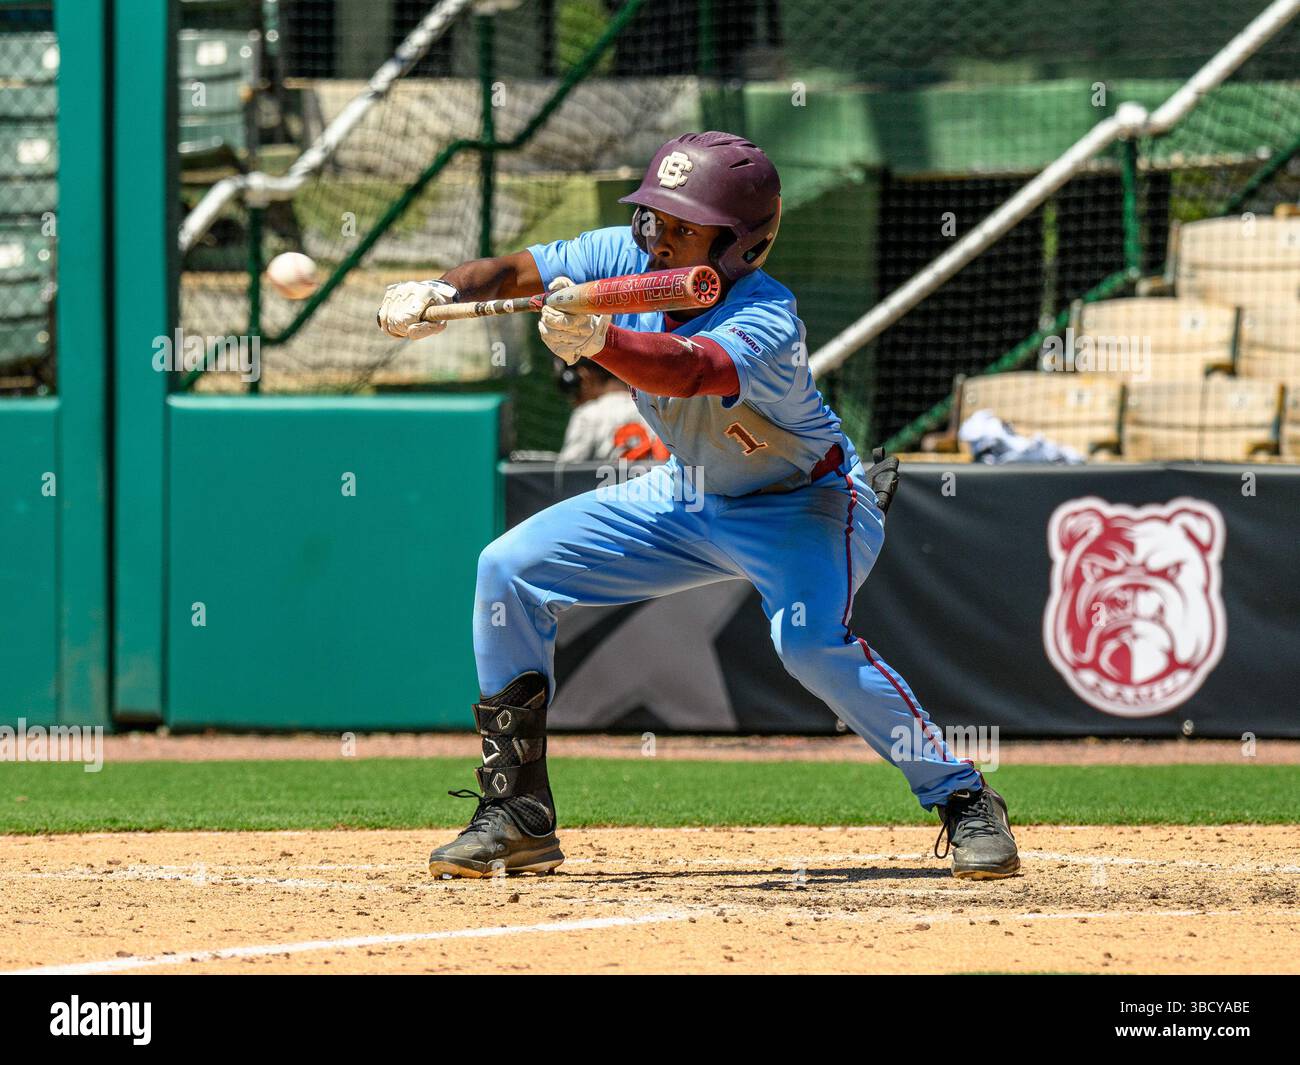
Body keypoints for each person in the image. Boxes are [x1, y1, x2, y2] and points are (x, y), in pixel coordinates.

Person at [376, 131, 1019, 881]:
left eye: (686, 227)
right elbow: (517, 269)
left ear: (741, 244)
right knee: (508, 568)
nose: (661, 238)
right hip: (691, 491)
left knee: (807, 644)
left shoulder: (768, 316)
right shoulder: (625, 255)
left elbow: (690, 371)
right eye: (656, 217)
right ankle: (516, 813)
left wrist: (598, 341)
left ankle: (963, 796)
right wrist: (443, 291)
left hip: (805, 503)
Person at [555, 358, 667, 463]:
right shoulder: (654, 406)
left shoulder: (587, 415)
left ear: (585, 376)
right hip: (655, 480)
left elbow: (566, 474)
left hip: (607, 482)